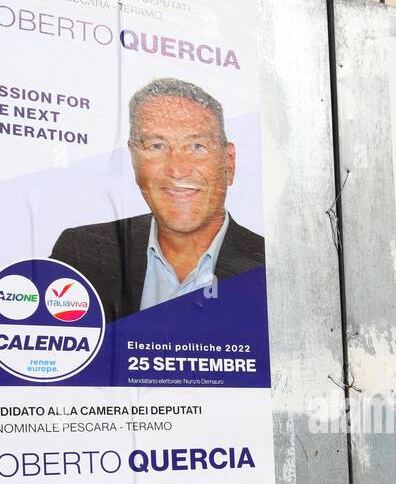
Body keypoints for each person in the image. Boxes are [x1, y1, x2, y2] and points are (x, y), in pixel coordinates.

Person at [51, 78, 265, 324]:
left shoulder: (273, 268)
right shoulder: (82, 253)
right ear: (134, 160)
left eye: (197, 146)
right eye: (157, 145)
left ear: (229, 162)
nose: (177, 169)